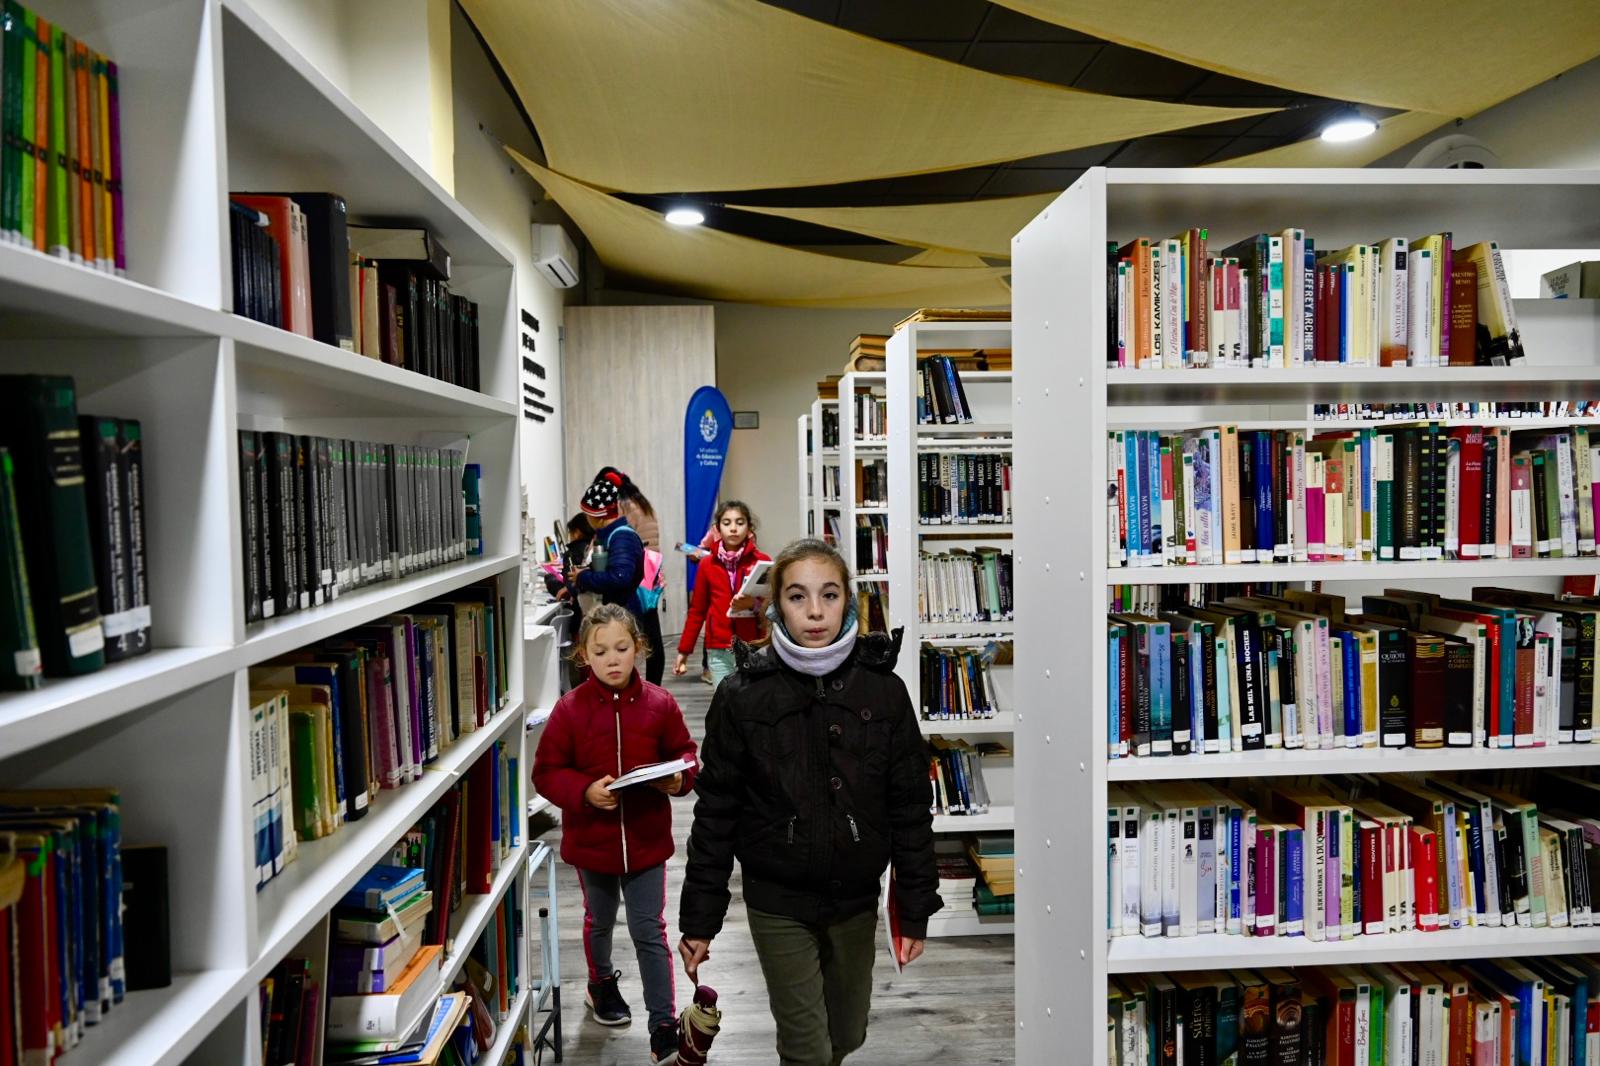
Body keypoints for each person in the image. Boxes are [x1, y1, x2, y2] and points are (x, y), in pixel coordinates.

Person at [677, 539, 942, 1066]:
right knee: (806, 1046)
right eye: (798, 597)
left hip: (855, 899)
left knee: (846, 1034)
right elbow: (716, 813)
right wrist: (699, 920)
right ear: (777, 606)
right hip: (777, 900)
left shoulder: (883, 692)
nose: (815, 611)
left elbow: (911, 807)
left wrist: (914, 910)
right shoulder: (742, 696)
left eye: (829, 595)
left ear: (849, 601)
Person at [531, 604, 698, 1064]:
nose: (612, 658)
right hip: (592, 844)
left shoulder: (660, 705)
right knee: (598, 921)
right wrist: (584, 791)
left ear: (638, 649)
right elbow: (546, 774)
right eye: (600, 650)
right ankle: (600, 983)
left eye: (621, 648)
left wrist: (679, 779)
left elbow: (686, 755)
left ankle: (663, 1023)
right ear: (584, 655)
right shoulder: (569, 710)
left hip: (646, 843)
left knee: (650, 930)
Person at [571, 472, 667, 685]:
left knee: (620, 674)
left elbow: (620, 577)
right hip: (618, 609)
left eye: (587, 514)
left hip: (622, 611)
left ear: (598, 515)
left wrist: (584, 576)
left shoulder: (621, 536)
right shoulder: (613, 534)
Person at [673, 500, 769, 690]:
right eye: (727, 523)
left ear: (749, 527)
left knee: (752, 704)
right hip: (718, 648)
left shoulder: (762, 562)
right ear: (717, 528)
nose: (733, 529)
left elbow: (773, 608)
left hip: (752, 645)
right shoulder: (707, 564)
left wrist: (754, 605)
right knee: (724, 706)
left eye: (740, 523)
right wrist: (684, 651)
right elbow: (697, 611)